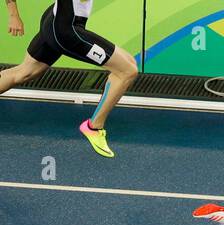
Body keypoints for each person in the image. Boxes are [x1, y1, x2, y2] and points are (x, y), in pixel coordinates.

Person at [0, 0, 139, 157]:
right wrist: (13, 15)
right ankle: (94, 127)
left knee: (25, 72)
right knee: (128, 71)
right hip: (66, 30)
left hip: (57, 19)